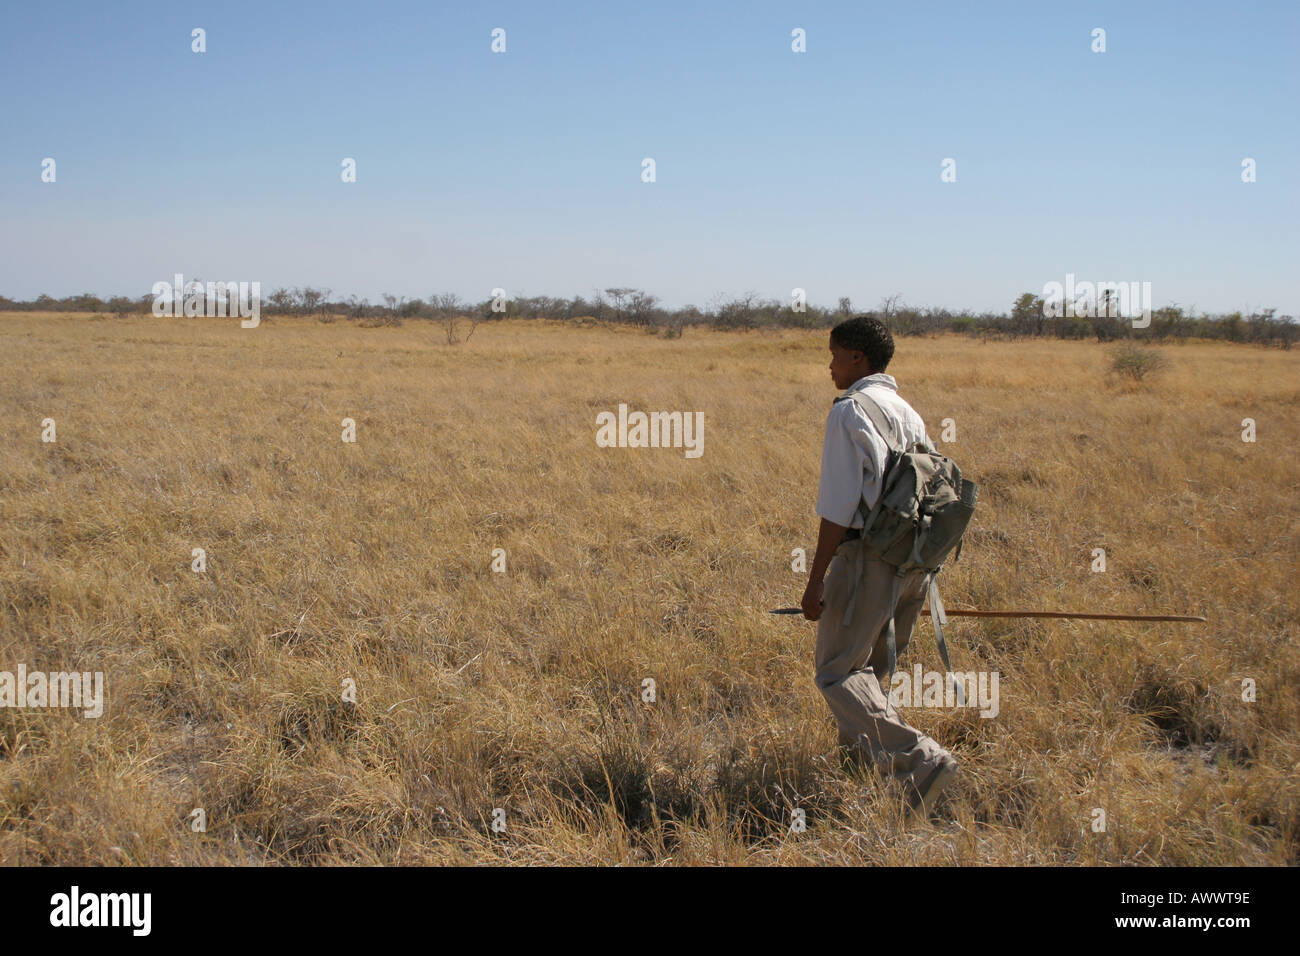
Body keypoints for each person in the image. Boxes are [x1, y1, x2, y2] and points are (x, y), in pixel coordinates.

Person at [801, 315, 959, 818]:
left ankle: (921, 761)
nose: (829, 365)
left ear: (858, 359)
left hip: (868, 557)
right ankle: (860, 770)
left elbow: (838, 509)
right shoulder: (905, 409)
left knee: (836, 673)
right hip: (914, 560)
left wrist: (816, 580)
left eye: (835, 354)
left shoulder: (849, 411)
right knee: (871, 671)